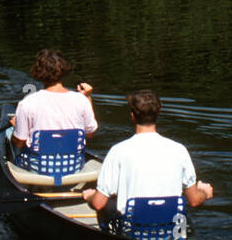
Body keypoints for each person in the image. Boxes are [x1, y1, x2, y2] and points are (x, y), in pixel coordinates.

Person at [81, 88, 213, 225]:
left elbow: (98, 204)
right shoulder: (180, 150)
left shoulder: (118, 151)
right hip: (169, 228)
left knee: (107, 205)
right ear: (158, 114)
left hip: (133, 230)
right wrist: (204, 192)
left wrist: (90, 196)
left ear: (132, 116)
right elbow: (194, 200)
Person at [10, 49, 97, 160]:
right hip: (73, 165)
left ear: (37, 73)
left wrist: (15, 128)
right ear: (63, 70)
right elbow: (90, 133)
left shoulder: (27, 103)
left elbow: (19, 142)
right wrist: (88, 97)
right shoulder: (81, 100)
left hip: (38, 167)